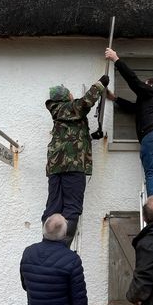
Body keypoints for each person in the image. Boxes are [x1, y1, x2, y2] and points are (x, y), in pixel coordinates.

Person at [104, 47, 153, 221]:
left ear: (151, 85)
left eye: (145, 84)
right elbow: (134, 108)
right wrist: (116, 99)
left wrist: (116, 59)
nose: (143, 86)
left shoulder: (149, 91)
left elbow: (133, 81)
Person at [42, 74, 109, 246]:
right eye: (69, 93)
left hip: (56, 166)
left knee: (53, 206)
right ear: (65, 97)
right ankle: (61, 248)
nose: (72, 95)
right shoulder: (66, 108)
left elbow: (70, 136)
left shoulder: (61, 112)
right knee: (72, 208)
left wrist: (91, 137)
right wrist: (100, 84)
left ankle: (47, 244)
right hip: (72, 165)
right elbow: (85, 103)